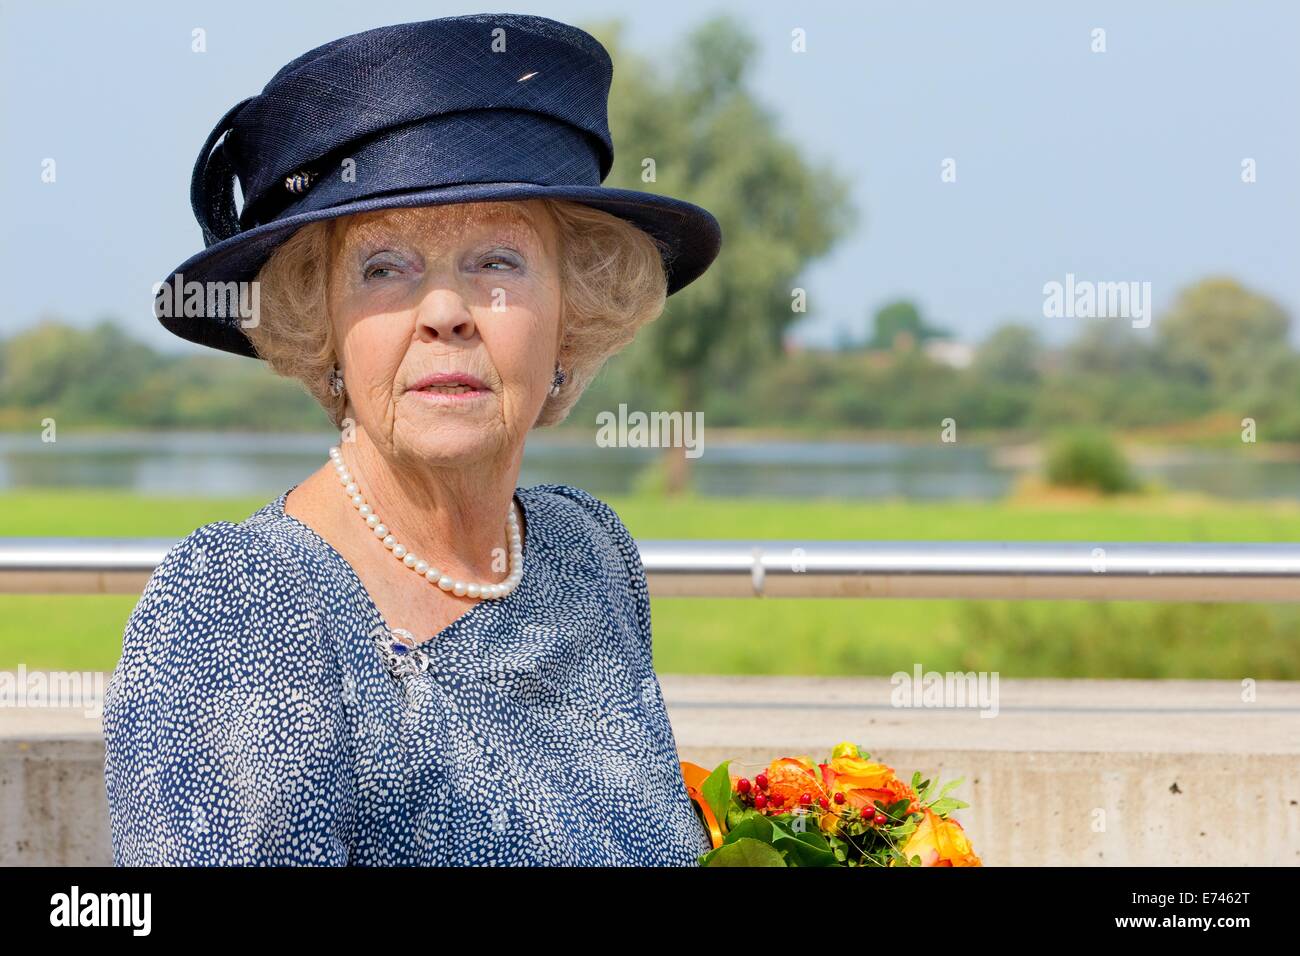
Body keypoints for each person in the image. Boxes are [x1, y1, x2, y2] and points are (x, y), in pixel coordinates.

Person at [102, 13, 723, 866]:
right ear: (322, 322)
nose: (444, 314)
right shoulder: (242, 606)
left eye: (497, 262)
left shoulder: (587, 552)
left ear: (572, 314)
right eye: (383, 267)